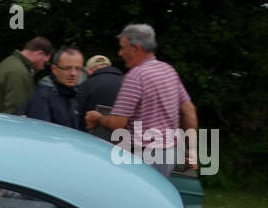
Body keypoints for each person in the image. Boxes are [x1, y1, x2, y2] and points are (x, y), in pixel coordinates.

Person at [84, 23, 198, 177]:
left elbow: (117, 123)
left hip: (144, 158)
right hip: (169, 155)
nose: (120, 53)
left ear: (136, 48)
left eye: (123, 48)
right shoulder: (169, 71)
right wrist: (191, 149)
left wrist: (98, 119)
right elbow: (189, 111)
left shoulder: (136, 76)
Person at [0, 36, 53, 114]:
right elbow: (16, 113)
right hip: (1, 124)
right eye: (44, 62)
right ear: (40, 54)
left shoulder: (10, 63)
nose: (42, 67)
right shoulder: (18, 72)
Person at [24, 47, 85, 129]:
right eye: (67, 68)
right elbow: (39, 132)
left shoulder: (75, 94)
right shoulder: (42, 97)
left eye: (78, 68)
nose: (73, 73)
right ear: (54, 69)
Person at [76, 54, 123, 142]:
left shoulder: (86, 85)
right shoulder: (128, 83)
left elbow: (77, 115)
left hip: (94, 143)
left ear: (89, 71)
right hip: (125, 143)